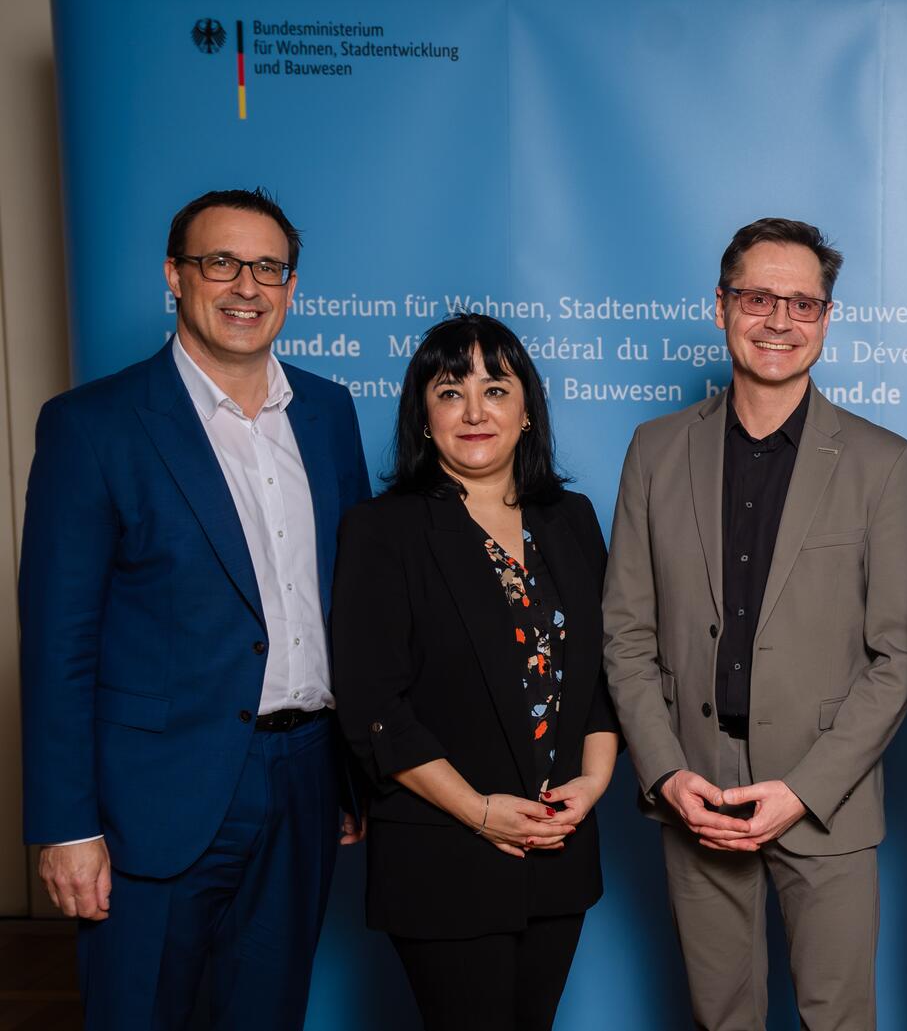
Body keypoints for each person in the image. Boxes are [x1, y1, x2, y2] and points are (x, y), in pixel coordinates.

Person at [19, 187, 371, 1029]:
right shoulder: (92, 427)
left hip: (307, 778)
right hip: (154, 798)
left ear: (291, 287)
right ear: (174, 277)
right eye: (220, 263)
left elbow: (354, 602)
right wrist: (64, 825)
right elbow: (57, 642)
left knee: (268, 1011)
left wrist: (356, 767)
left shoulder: (328, 412)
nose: (245, 286)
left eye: (267, 268)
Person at [602, 217, 907, 1030]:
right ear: (721, 306)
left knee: (838, 1018)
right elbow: (627, 635)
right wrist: (668, 775)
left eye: (803, 304)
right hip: (695, 789)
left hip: (827, 793)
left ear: (825, 320)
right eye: (757, 297)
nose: (779, 319)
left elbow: (898, 655)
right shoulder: (654, 449)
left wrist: (805, 789)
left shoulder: (885, 464)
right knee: (722, 1019)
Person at [329, 313, 619, 1030]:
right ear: (423, 417)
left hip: (558, 844)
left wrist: (592, 785)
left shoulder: (571, 518)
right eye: (450, 391)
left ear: (527, 410)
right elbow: (375, 703)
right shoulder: (383, 528)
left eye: (496, 388)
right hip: (444, 850)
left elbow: (602, 677)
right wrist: (480, 811)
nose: (475, 411)